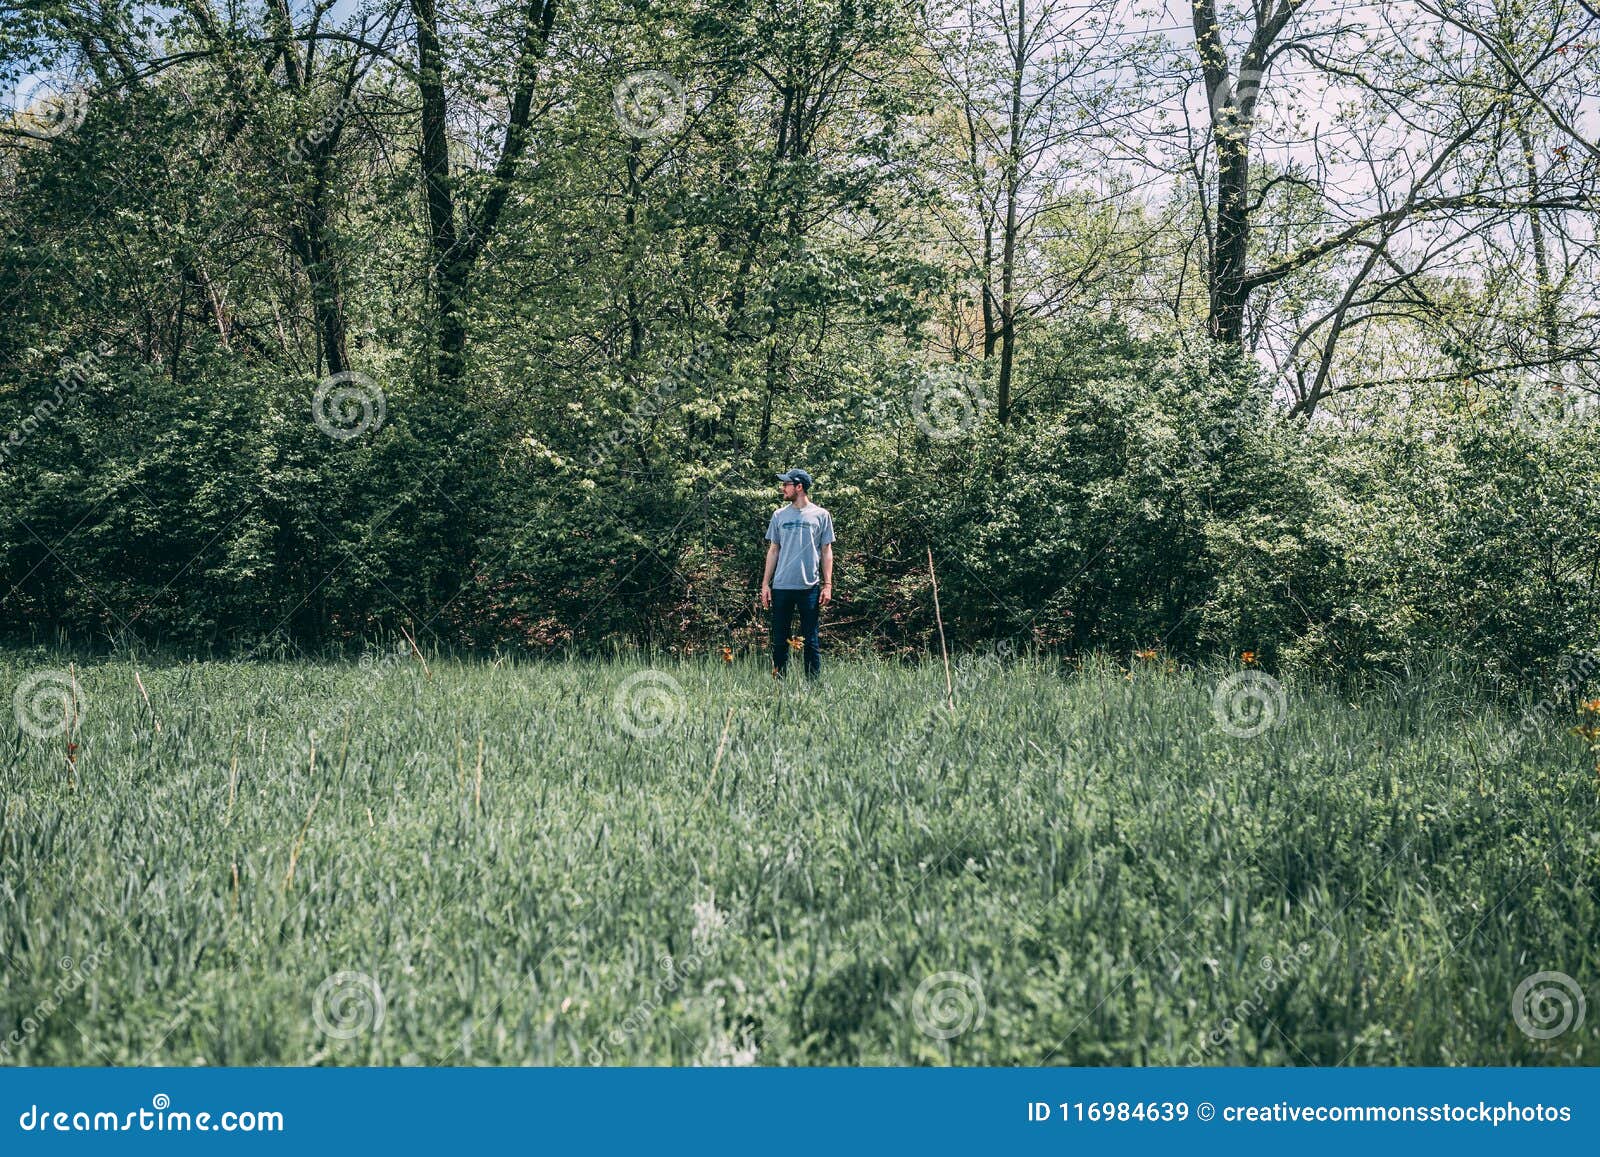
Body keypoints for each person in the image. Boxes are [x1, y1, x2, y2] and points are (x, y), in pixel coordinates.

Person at [760, 468, 834, 679]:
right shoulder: (779, 515)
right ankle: (779, 683)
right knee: (779, 639)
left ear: (799, 487)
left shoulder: (821, 515)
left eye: (786, 484)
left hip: (809, 588)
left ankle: (813, 685)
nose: (783, 488)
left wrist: (828, 585)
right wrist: (766, 584)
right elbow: (774, 550)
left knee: (811, 640)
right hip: (782, 587)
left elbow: (827, 551)